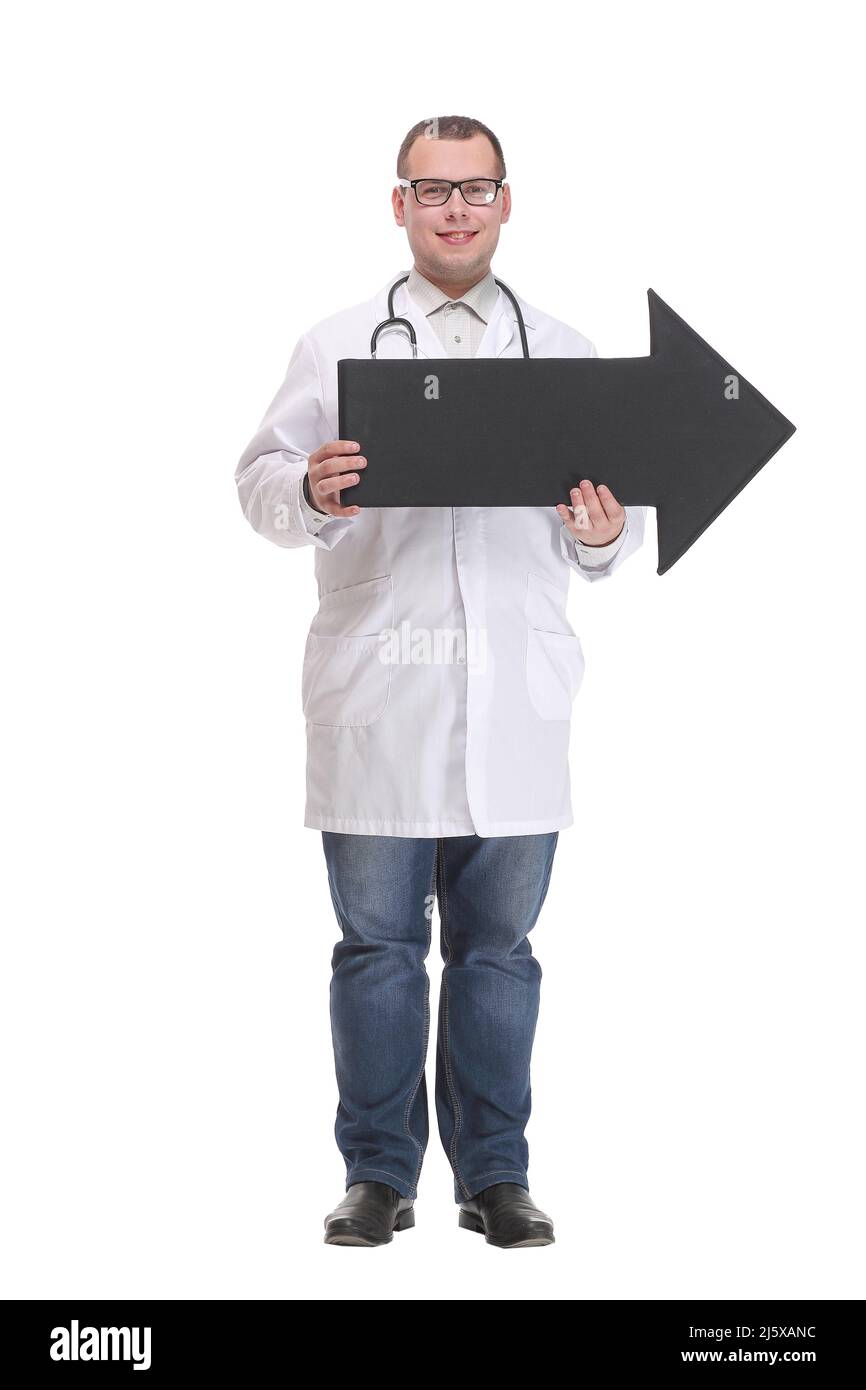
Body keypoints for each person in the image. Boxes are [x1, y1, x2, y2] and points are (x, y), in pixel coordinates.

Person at [235, 115, 646, 1248]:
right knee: (374, 950)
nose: (454, 209)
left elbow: (615, 533)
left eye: (474, 190)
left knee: (497, 953)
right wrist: (310, 494)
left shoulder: (561, 354)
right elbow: (260, 483)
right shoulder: (334, 346)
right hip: (379, 696)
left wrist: (601, 531)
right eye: (431, 190)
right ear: (399, 204)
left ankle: (496, 1176)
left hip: (517, 701)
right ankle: (377, 1174)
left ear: (505, 202)